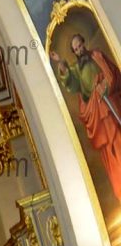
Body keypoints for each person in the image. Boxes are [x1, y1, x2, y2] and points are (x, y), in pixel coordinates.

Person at [51, 34, 121, 202]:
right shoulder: (76, 69)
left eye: (80, 46)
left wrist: (105, 84)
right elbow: (72, 84)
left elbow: (113, 74)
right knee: (110, 150)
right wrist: (61, 63)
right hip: (98, 115)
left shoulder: (96, 55)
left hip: (111, 107)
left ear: (84, 43)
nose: (79, 50)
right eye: (75, 50)